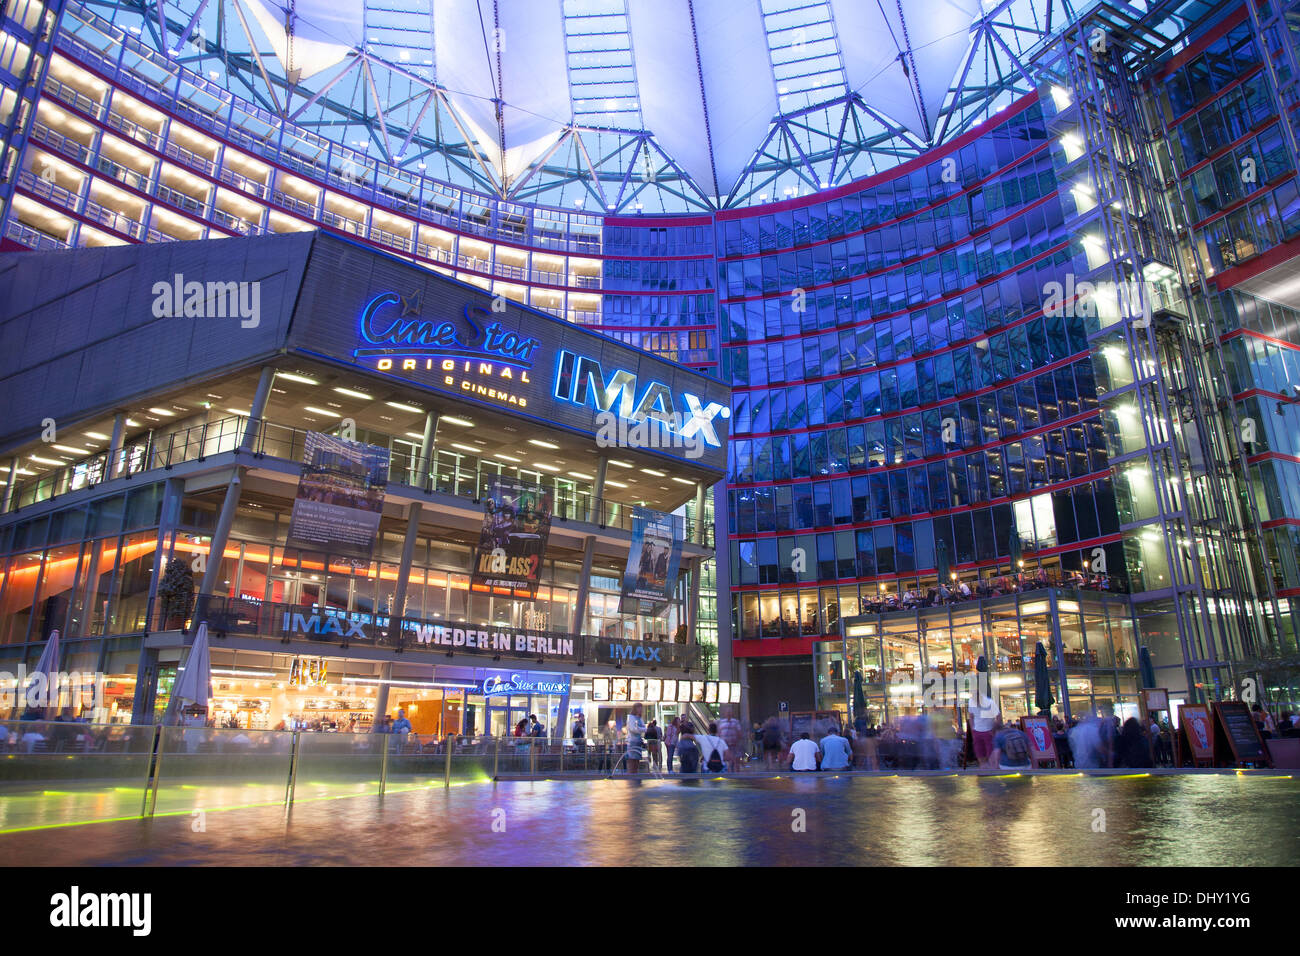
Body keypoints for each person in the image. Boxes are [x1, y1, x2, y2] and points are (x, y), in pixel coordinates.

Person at [970, 688, 998, 768]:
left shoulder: (990, 702)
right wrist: (973, 729)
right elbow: (971, 716)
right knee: (979, 750)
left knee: (990, 750)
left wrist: (993, 729)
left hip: (988, 730)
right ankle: (983, 766)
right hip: (977, 730)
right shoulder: (971, 702)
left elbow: (998, 716)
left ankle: (992, 766)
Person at [716, 706, 744, 771]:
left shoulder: (736, 722)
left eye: (730, 712)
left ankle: (737, 774)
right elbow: (719, 733)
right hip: (725, 746)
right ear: (725, 713)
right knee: (727, 760)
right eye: (728, 712)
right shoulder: (721, 722)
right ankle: (728, 772)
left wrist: (738, 741)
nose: (729, 714)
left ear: (732, 713)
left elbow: (739, 733)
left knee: (736, 760)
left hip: (734, 745)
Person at [625, 702, 646, 773]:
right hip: (632, 742)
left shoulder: (640, 718)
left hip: (638, 742)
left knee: (637, 760)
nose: (640, 709)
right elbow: (633, 729)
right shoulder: (631, 717)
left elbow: (643, 728)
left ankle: (635, 774)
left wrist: (640, 729)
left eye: (641, 708)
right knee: (632, 760)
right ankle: (631, 775)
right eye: (639, 708)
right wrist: (641, 729)